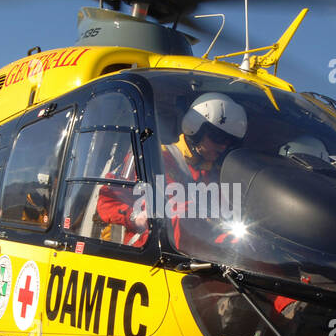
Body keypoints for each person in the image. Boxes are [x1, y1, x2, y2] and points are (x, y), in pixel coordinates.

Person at [97, 91, 247, 248]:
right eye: (218, 137)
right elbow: (107, 201)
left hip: (200, 261)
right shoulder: (150, 158)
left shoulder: (218, 175)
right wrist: (135, 217)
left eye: (229, 142)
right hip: (148, 256)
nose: (223, 146)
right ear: (196, 128)